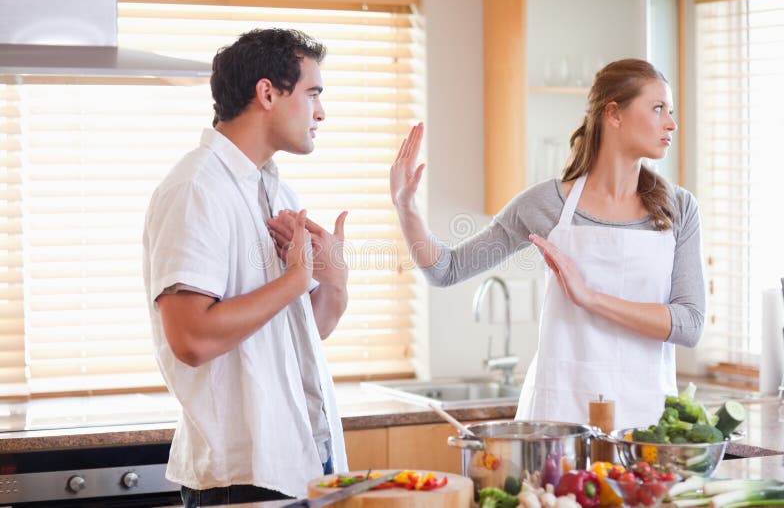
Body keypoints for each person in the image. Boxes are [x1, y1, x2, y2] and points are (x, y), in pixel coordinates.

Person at [390, 59, 705, 429]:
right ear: (614, 114)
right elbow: (447, 270)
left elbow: (689, 324)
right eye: (657, 109)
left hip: (646, 419)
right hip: (560, 419)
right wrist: (405, 207)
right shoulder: (545, 205)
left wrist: (591, 299)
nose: (671, 123)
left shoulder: (678, 208)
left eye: (671, 111)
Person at [143, 28, 349, 507]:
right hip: (238, 476)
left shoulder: (277, 194)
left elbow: (290, 338)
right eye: (313, 94)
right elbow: (191, 339)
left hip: (296, 462)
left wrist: (333, 283)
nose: (321, 112)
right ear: (267, 92)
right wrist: (296, 279)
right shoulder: (196, 189)